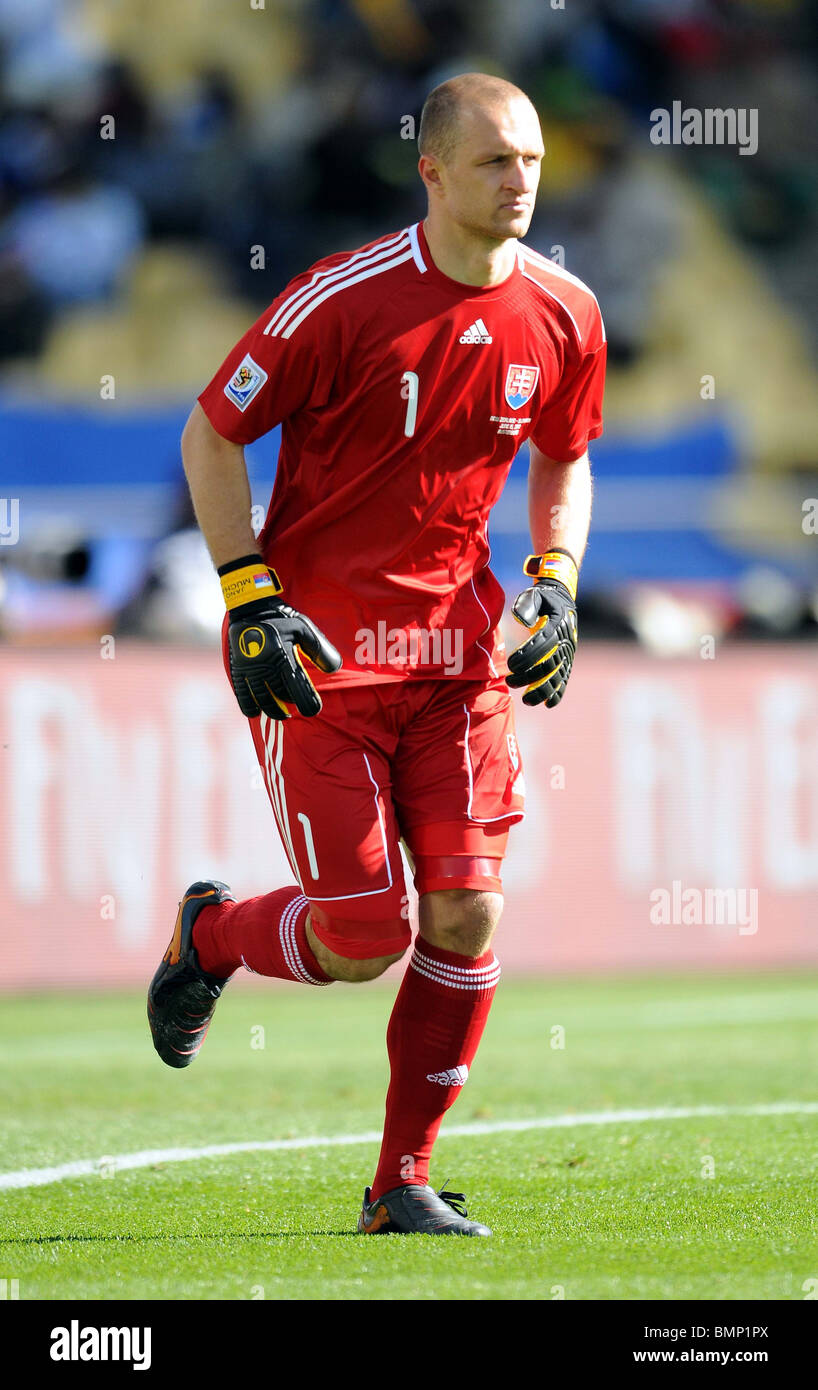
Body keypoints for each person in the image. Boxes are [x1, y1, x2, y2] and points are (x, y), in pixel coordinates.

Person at [147, 72, 605, 1237]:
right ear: (433, 170)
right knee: (362, 937)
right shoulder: (337, 301)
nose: (519, 182)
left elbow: (565, 453)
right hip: (320, 658)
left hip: (456, 660)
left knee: (463, 913)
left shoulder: (563, 313)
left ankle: (400, 1180)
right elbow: (213, 431)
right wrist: (249, 594)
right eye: (496, 160)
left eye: (532, 162)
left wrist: (554, 576)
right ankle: (210, 935)